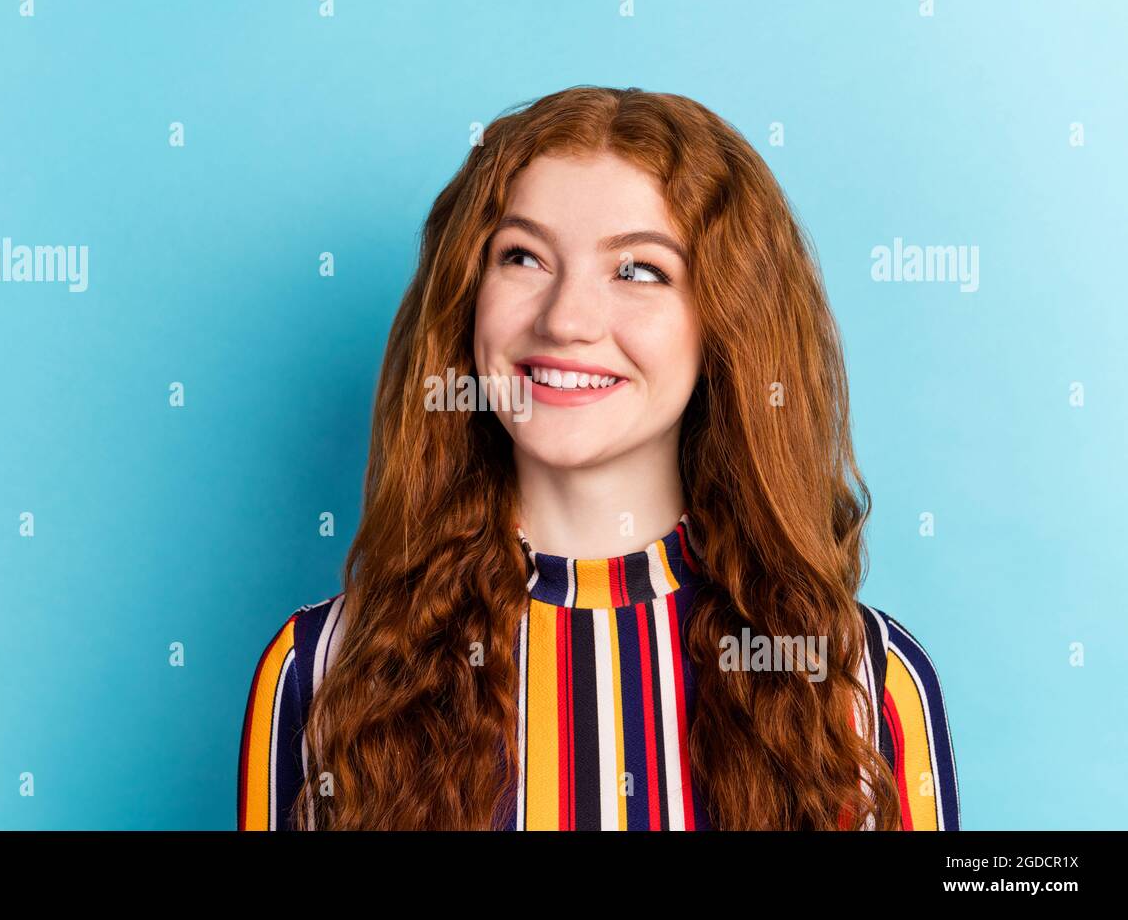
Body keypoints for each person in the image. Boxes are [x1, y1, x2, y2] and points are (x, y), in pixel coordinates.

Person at [238, 85, 959, 831]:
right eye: (523, 257)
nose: (566, 319)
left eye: (639, 270)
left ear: (726, 325)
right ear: (466, 299)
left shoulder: (865, 683)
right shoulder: (320, 671)